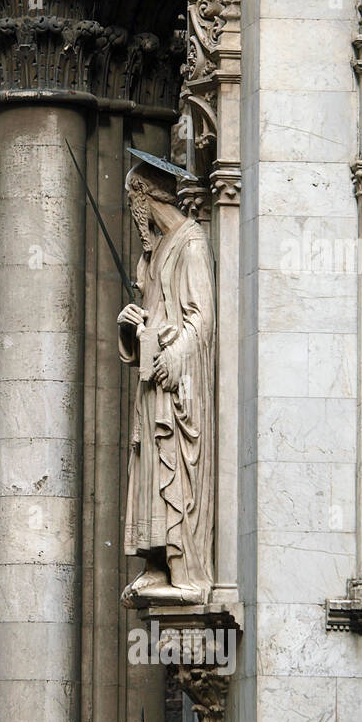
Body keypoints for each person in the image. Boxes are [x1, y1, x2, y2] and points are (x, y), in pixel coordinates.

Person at [116, 149, 216, 607]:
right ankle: (157, 561)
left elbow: (202, 319)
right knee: (150, 463)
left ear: (144, 197)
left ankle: (186, 568)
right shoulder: (150, 256)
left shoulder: (191, 242)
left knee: (175, 466)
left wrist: (174, 355)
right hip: (151, 385)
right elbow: (150, 317)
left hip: (178, 385)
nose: (133, 214)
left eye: (132, 199)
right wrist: (131, 326)